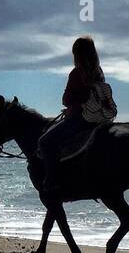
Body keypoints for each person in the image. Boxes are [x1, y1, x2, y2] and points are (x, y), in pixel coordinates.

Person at [37, 35, 114, 193]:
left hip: (79, 119)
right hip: (98, 119)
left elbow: (66, 100)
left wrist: (71, 105)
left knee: (45, 141)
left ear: (77, 54)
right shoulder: (99, 72)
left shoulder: (76, 73)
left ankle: (52, 180)